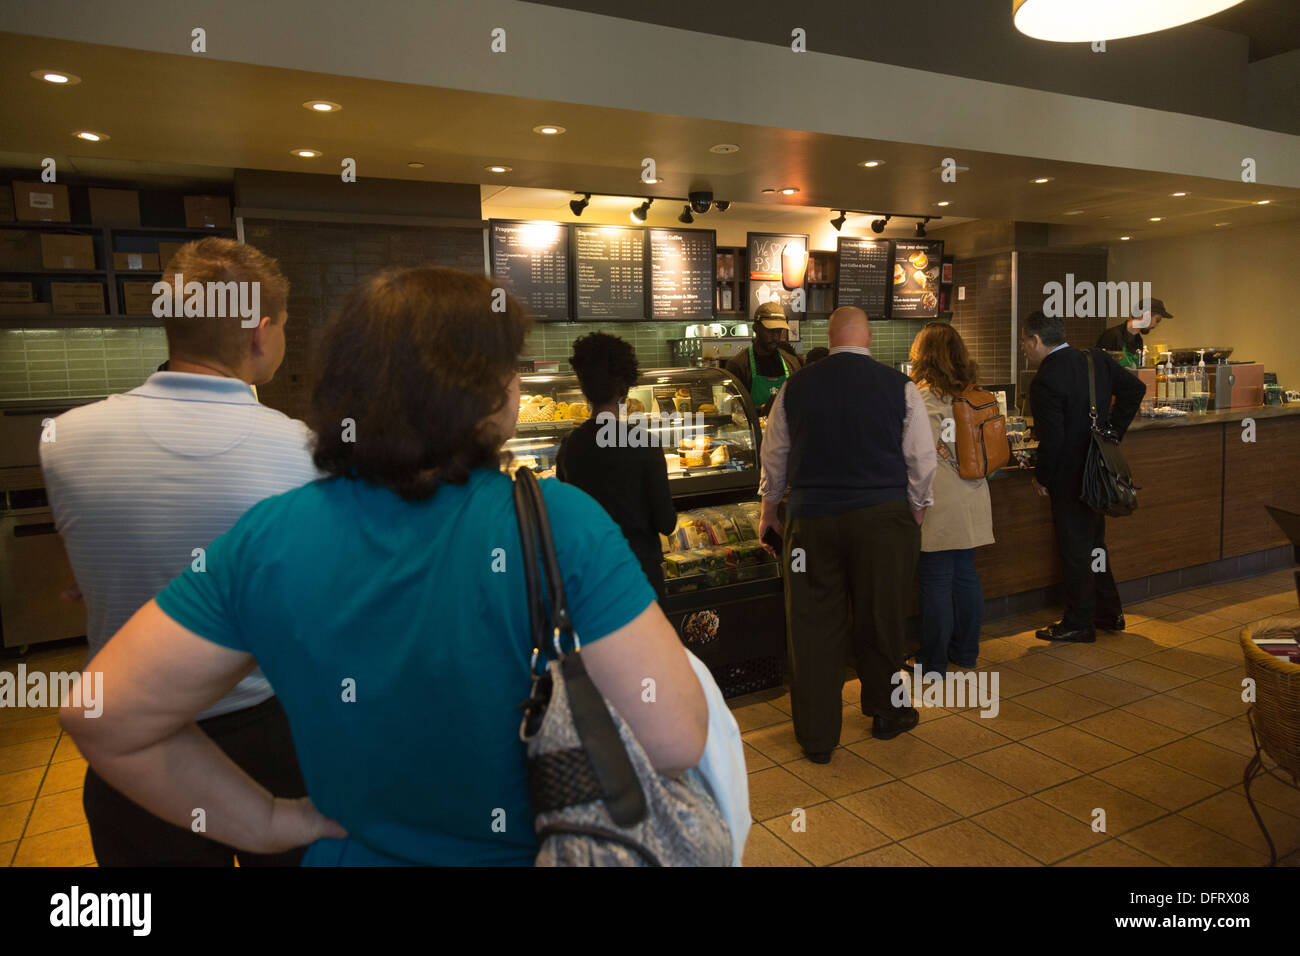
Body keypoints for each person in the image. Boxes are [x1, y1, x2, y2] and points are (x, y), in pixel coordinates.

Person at [59, 266, 709, 866]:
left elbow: (101, 714)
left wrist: (266, 820)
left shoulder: (270, 536)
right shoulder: (559, 522)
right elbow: (676, 740)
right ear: (486, 395)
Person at [40, 237, 315, 866]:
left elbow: (87, 564)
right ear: (260, 333)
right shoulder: (302, 450)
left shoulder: (64, 438)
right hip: (270, 733)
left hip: (132, 746)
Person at [759, 306, 937, 760]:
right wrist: (916, 509)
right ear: (869, 338)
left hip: (812, 517)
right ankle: (886, 712)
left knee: (812, 626)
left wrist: (769, 512)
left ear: (829, 335)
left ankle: (818, 737)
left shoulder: (795, 385)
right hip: (884, 518)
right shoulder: (900, 387)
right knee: (882, 617)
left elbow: (774, 455)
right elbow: (921, 458)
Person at [1023, 309, 1146, 643]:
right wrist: (1112, 432)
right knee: (1094, 545)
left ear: (1036, 340)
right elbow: (1135, 389)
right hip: (1099, 469)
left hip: (1069, 476)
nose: (1024, 350)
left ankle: (1079, 621)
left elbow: (1054, 440)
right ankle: (1109, 611)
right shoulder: (1094, 359)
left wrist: (1041, 476)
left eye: (1025, 342)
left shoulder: (1045, 379)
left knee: (1075, 549)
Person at [556, 332, 676, 599]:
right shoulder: (644, 443)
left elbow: (567, 517)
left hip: (589, 576)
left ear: (584, 388)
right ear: (625, 388)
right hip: (638, 573)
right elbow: (666, 523)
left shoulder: (570, 446)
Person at [908, 323, 994, 675]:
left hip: (937, 497)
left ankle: (932, 661)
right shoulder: (973, 394)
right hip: (973, 493)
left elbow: (917, 459)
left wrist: (915, 504)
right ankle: (967, 653)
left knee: (936, 582)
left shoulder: (921, 398)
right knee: (965, 577)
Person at [724, 301, 802, 414]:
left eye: (778, 331)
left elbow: (799, 401)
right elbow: (731, 409)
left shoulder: (791, 362)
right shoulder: (738, 365)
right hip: (754, 431)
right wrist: (761, 410)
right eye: (770, 331)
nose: (775, 337)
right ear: (756, 328)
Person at [1095, 296, 1173, 366]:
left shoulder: (1138, 340)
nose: (1156, 325)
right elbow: (1097, 366)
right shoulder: (1112, 335)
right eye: (1157, 320)